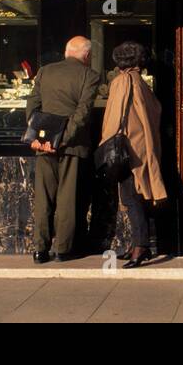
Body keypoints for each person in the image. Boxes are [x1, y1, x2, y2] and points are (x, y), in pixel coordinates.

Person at [26, 35, 100, 264]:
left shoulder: (45, 71)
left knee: (43, 199)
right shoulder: (90, 76)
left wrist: (37, 137)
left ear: (66, 51)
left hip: (43, 145)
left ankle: (40, 250)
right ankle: (63, 249)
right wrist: (62, 139)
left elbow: (32, 105)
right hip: (72, 147)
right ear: (87, 55)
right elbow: (82, 113)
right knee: (68, 199)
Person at [100, 40, 167, 269]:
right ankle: (137, 244)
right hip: (140, 146)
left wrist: (105, 144)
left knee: (131, 198)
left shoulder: (122, 81)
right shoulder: (139, 80)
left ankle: (141, 246)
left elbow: (115, 117)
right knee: (138, 195)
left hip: (127, 148)